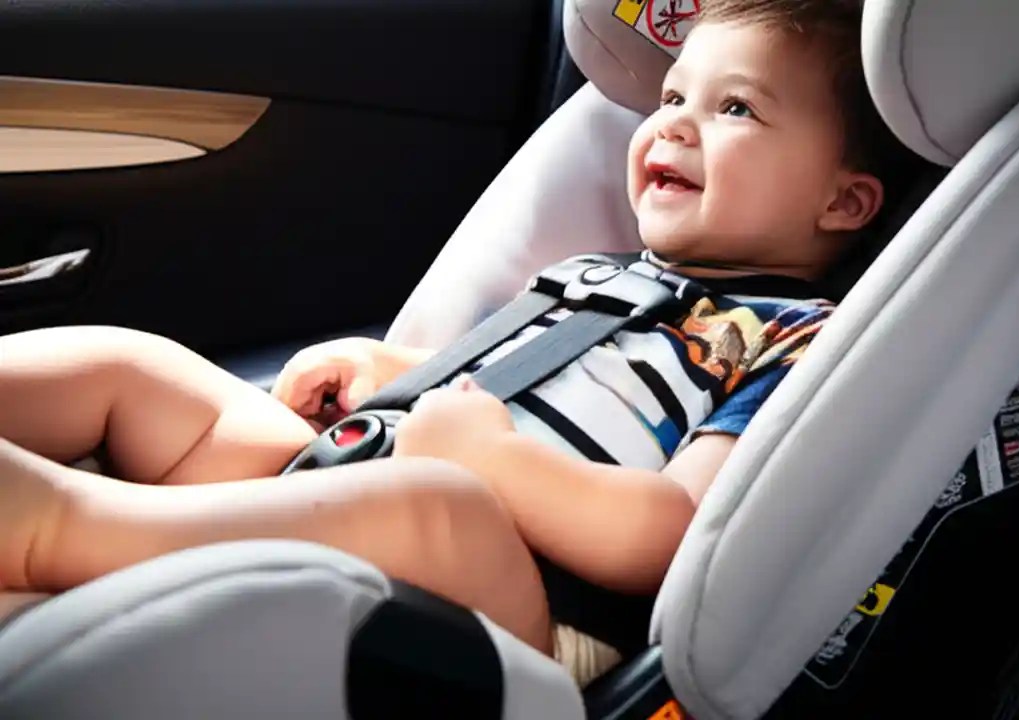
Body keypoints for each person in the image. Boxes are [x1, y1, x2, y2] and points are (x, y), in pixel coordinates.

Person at [0, 0, 888, 686]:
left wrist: (496, 466)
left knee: (441, 509)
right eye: (670, 97)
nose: (672, 125)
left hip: (532, 610)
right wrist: (380, 367)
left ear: (843, 202)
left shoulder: (796, 342)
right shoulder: (598, 274)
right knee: (136, 366)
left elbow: (672, 533)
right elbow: (482, 380)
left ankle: (61, 529)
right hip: (370, 477)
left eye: (736, 108)